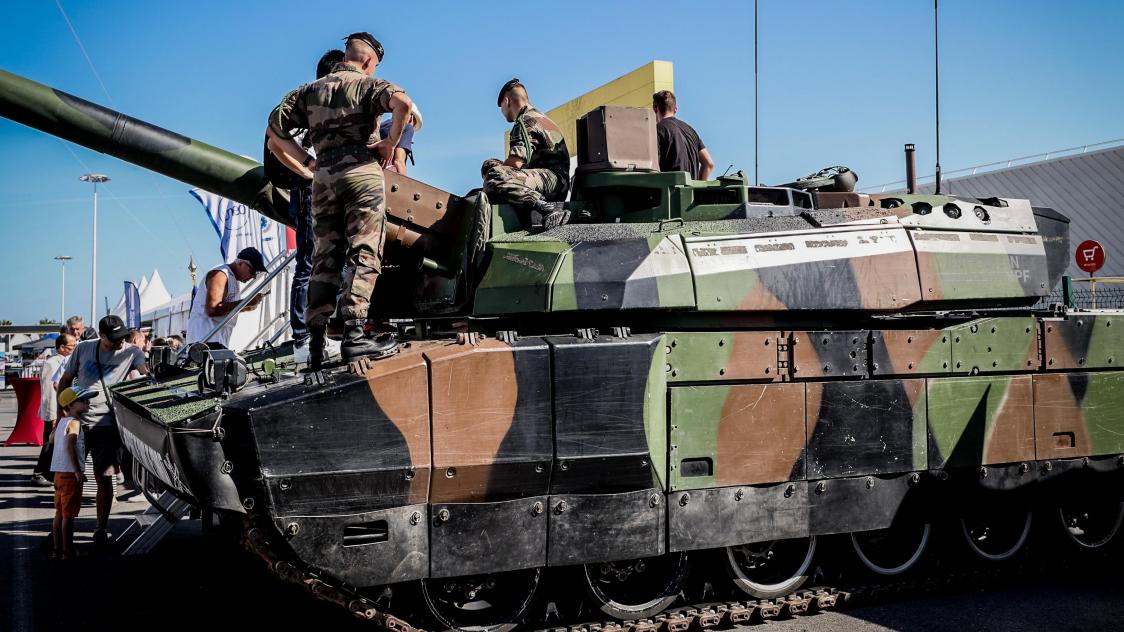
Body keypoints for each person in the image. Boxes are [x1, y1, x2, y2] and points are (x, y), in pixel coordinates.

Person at [267, 31, 412, 367]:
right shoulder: (368, 85)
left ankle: (316, 343)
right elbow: (403, 105)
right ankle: (356, 335)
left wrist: (307, 162)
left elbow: (274, 131)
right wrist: (390, 142)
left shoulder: (307, 92)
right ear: (368, 60)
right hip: (362, 171)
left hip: (323, 179)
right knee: (364, 249)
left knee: (324, 258)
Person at [266, 49, 344, 363]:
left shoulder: (323, 105)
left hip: (323, 190)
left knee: (328, 264)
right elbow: (275, 142)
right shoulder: (307, 103)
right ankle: (303, 340)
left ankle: (319, 336)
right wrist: (309, 171)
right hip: (310, 192)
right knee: (310, 264)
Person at [56, 315, 149, 546]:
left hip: (106, 423)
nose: (119, 343)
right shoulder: (84, 348)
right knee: (70, 476)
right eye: (114, 339)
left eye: (122, 337)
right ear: (102, 335)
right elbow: (65, 381)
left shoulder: (131, 351)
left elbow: (146, 373)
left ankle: (100, 528)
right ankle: (63, 529)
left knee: (105, 477)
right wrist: (61, 418)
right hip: (78, 419)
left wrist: (151, 371)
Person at [481, 79, 571, 230]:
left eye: (501, 107)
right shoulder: (540, 117)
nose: (502, 112)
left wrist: (490, 183)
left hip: (552, 182)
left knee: (495, 175)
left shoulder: (524, 121)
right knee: (492, 166)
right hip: (557, 182)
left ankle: (545, 208)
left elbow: (515, 163)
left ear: (507, 101)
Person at [185, 247, 267, 348]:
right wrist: (246, 302)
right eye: (253, 271)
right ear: (241, 263)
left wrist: (246, 307)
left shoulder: (231, 278)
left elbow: (223, 309)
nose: (254, 276)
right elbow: (213, 309)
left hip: (212, 341)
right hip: (204, 341)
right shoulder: (221, 274)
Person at [51, 386, 95, 559]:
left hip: (58, 473)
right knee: (69, 515)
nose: (87, 403)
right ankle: (67, 551)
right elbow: (70, 445)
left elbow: (51, 439)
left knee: (59, 513)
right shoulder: (75, 423)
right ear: (70, 405)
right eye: (83, 401)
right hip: (70, 473)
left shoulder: (62, 422)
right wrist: (77, 470)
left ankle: (57, 548)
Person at [31, 333, 77, 485]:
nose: (74, 348)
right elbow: (49, 392)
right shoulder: (51, 363)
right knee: (49, 443)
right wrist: (53, 415)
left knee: (55, 443)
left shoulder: (66, 361)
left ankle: (48, 473)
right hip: (54, 411)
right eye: (72, 346)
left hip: (62, 409)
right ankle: (39, 473)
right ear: (62, 348)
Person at [652, 90, 714, 181]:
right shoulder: (691, 130)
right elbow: (709, 164)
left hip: (670, 193)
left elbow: (653, 168)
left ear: (655, 108)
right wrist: (697, 189)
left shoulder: (657, 130)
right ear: (676, 109)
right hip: (692, 193)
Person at [379, 103, 422, 175]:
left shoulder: (381, 125)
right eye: (414, 124)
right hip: (382, 175)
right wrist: (405, 184)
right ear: (410, 117)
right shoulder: (407, 127)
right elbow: (398, 161)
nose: (412, 127)